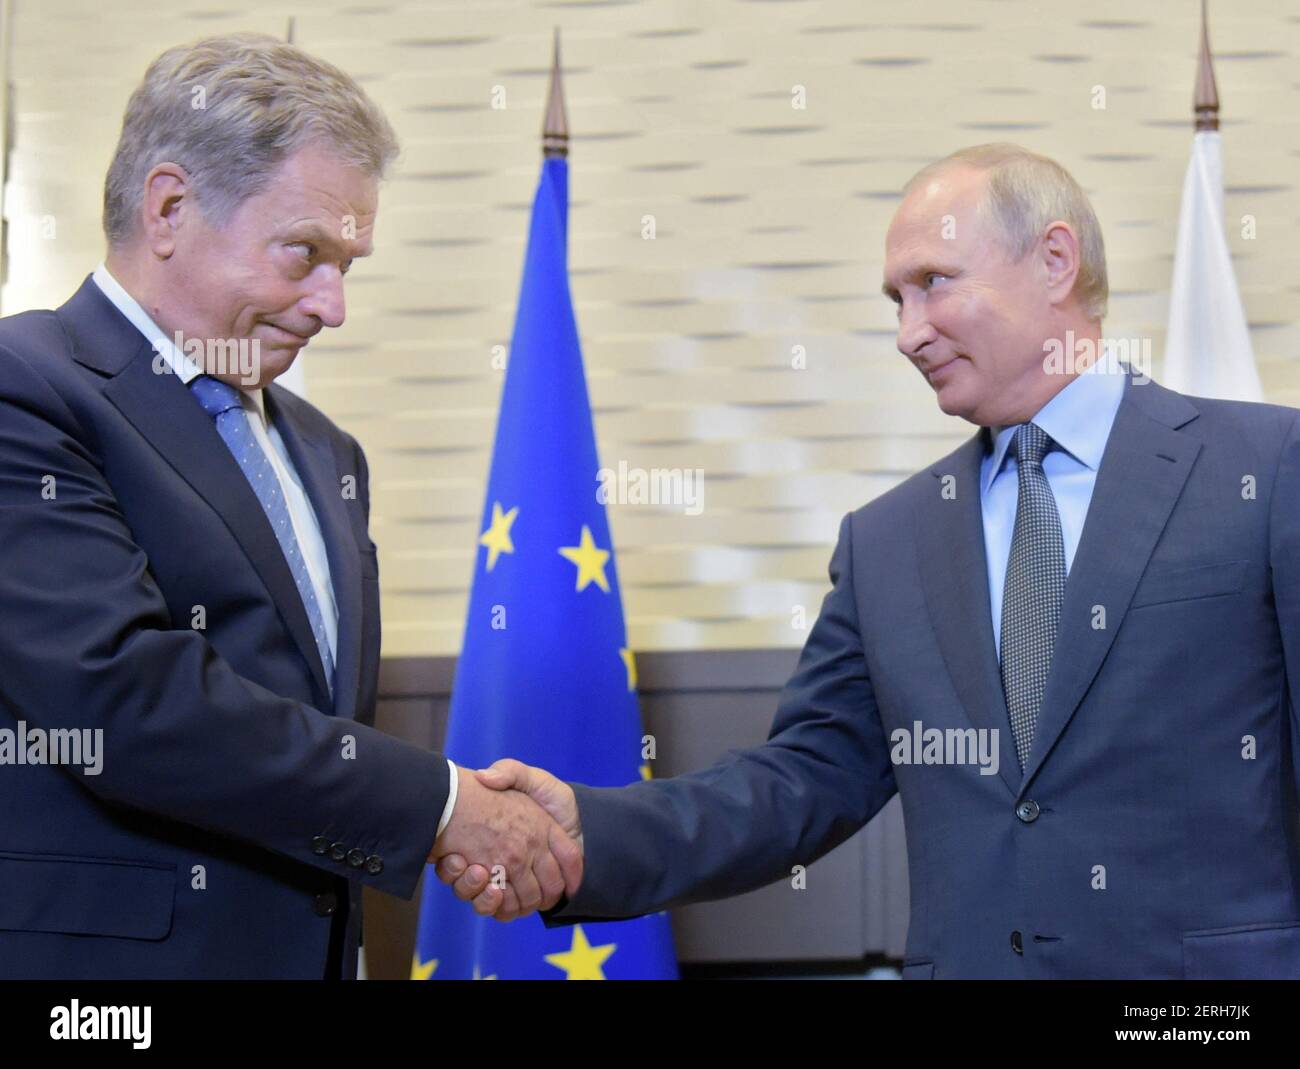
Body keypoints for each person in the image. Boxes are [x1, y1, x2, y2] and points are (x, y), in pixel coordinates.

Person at [438, 143, 1300, 979]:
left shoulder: (1263, 468)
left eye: (933, 283)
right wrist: (590, 830)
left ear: (1055, 260)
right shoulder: (889, 540)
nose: (907, 332)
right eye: (895, 299)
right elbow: (802, 781)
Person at [0, 32, 579, 980]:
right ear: (171, 207)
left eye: (347, 264)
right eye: (303, 253)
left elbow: (314, 725)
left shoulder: (324, 452)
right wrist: (442, 806)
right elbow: (123, 698)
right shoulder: (26, 389)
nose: (332, 305)